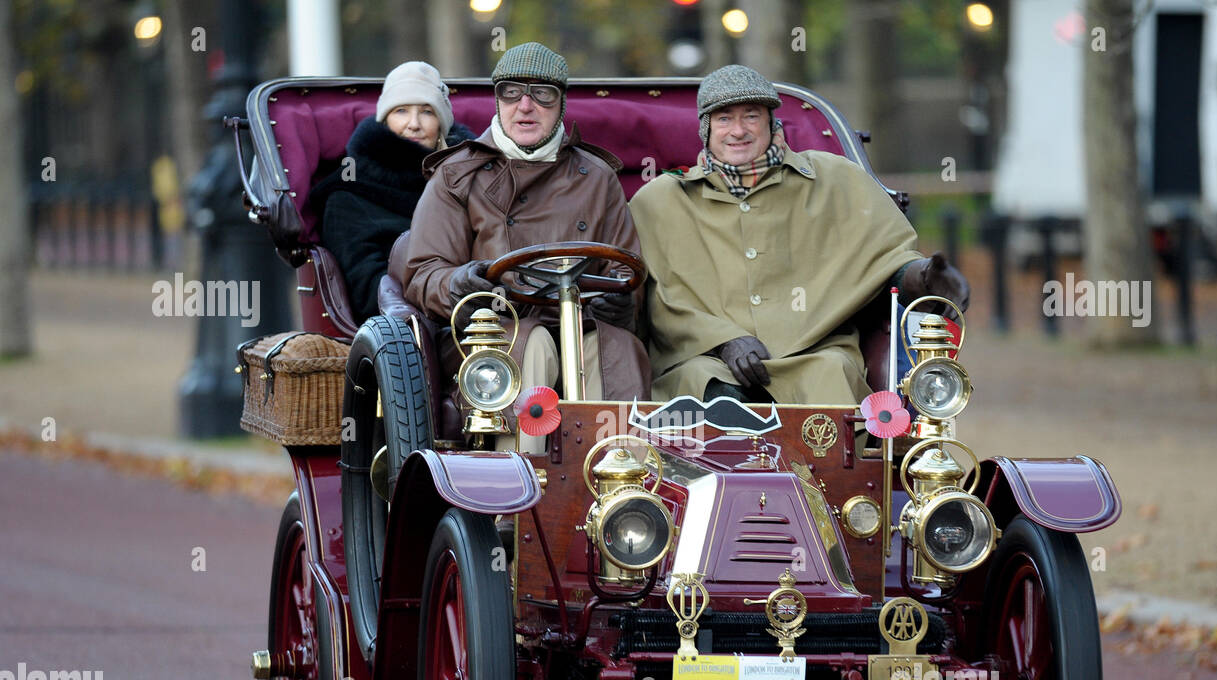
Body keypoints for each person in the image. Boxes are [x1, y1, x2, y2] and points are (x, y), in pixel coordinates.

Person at [629, 65, 970, 406]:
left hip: (817, 353)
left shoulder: (834, 178)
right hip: (706, 361)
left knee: (832, 371)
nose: (738, 131)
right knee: (701, 387)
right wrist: (723, 341)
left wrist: (924, 277)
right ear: (705, 129)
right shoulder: (660, 201)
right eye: (723, 119)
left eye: (751, 116)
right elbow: (655, 301)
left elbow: (886, 258)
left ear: (772, 123)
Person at [402, 41, 651, 428]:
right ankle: (517, 475)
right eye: (511, 92)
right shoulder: (457, 173)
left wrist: (621, 303)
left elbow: (625, 268)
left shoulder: (597, 176)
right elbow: (423, 273)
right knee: (528, 344)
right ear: (497, 100)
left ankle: (620, 473)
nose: (525, 106)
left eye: (543, 95)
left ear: (562, 104)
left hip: (578, 321)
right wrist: (460, 283)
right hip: (489, 329)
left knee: (617, 347)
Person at [310, 61, 473, 320]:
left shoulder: (471, 180)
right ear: (385, 120)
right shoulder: (347, 194)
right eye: (401, 111)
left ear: (442, 124)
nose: (414, 124)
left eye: (428, 112)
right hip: (402, 332)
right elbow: (368, 292)